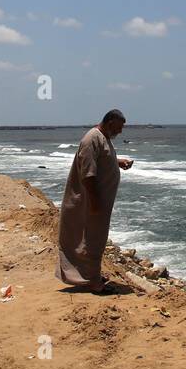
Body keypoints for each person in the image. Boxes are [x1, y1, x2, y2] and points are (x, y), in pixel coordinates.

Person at [56, 109, 134, 294]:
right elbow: (88, 175)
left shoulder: (103, 137)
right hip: (89, 202)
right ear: (109, 122)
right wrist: (95, 201)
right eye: (119, 127)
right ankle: (92, 282)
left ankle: (91, 276)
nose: (121, 132)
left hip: (97, 202)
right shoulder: (92, 139)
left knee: (95, 239)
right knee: (90, 241)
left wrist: (118, 162)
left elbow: (102, 160)